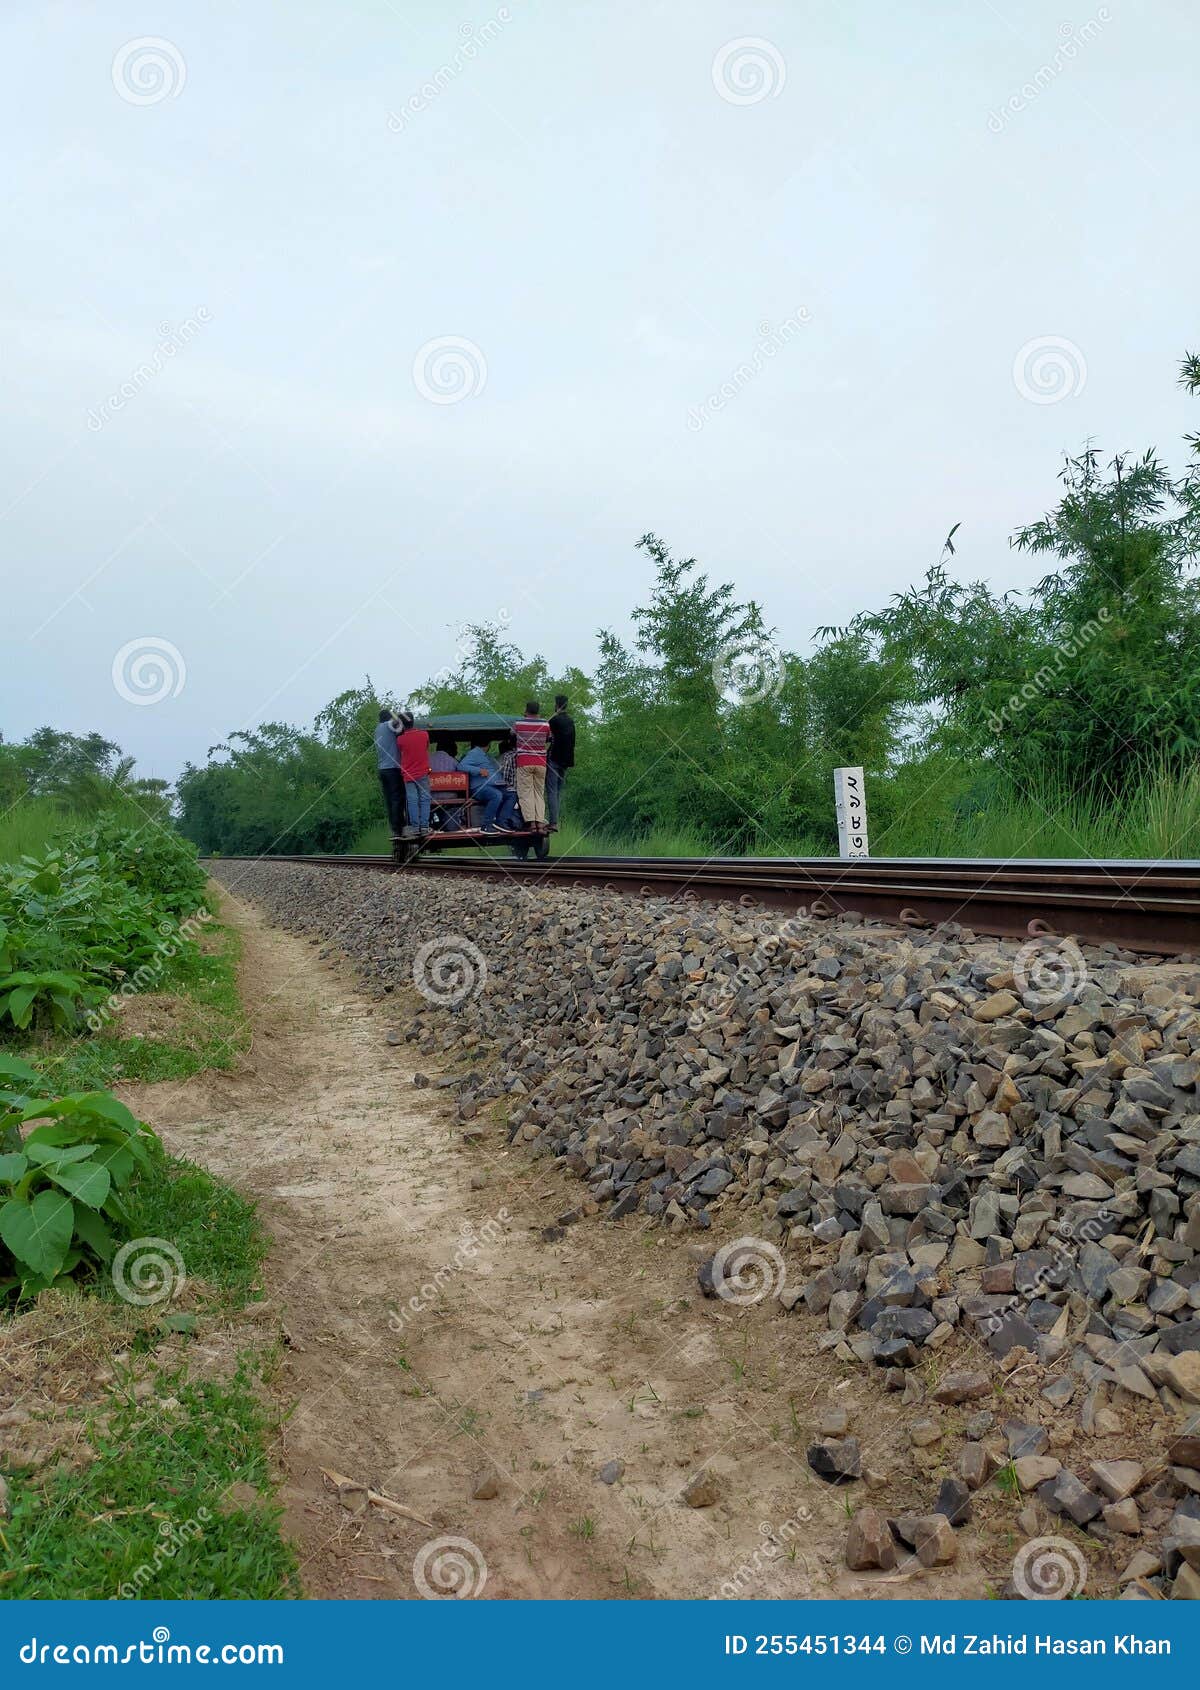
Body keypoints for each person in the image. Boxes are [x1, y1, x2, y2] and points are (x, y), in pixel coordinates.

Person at [514, 700, 551, 832]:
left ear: (526, 710)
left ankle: (531, 823)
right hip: (541, 762)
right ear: (538, 711)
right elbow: (549, 738)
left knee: (526, 793)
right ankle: (540, 822)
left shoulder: (519, 723)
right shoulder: (545, 724)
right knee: (539, 793)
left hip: (524, 762)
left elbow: (512, 734)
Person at [457, 735, 503, 833]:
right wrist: (479, 770)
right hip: (480, 787)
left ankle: (502, 823)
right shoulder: (474, 753)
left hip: (493, 785)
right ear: (488, 745)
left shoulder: (486, 755)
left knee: (510, 794)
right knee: (496, 795)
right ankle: (486, 826)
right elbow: (461, 766)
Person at [396, 710, 431, 838]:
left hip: (408, 774)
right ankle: (425, 827)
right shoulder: (424, 734)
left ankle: (415, 828)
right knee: (425, 799)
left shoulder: (400, 739)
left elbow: (401, 752)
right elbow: (426, 748)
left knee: (412, 800)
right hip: (422, 772)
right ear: (413, 721)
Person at [374, 706, 405, 836]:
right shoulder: (388, 725)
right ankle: (399, 828)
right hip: (393, 768)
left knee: (389, 800)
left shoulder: (377, 729)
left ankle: (393, 828)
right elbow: (400, 721)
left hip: (382, 769)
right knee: (397, 798)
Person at [547, 693, 575, 830]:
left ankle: (553, 822)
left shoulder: (554, 720)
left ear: (556, 705)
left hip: (554, 759)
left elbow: (546, 736)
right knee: (558, 791)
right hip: (566, 761)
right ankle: (556, 820)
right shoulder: (570, 721)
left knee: (551, 791)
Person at [493, 734, 523, 832]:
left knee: (506, 794)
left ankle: (501, 820)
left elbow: (504, 777)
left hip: (508, 787)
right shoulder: (522, 755)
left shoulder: (501, 758)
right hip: (522, 789)